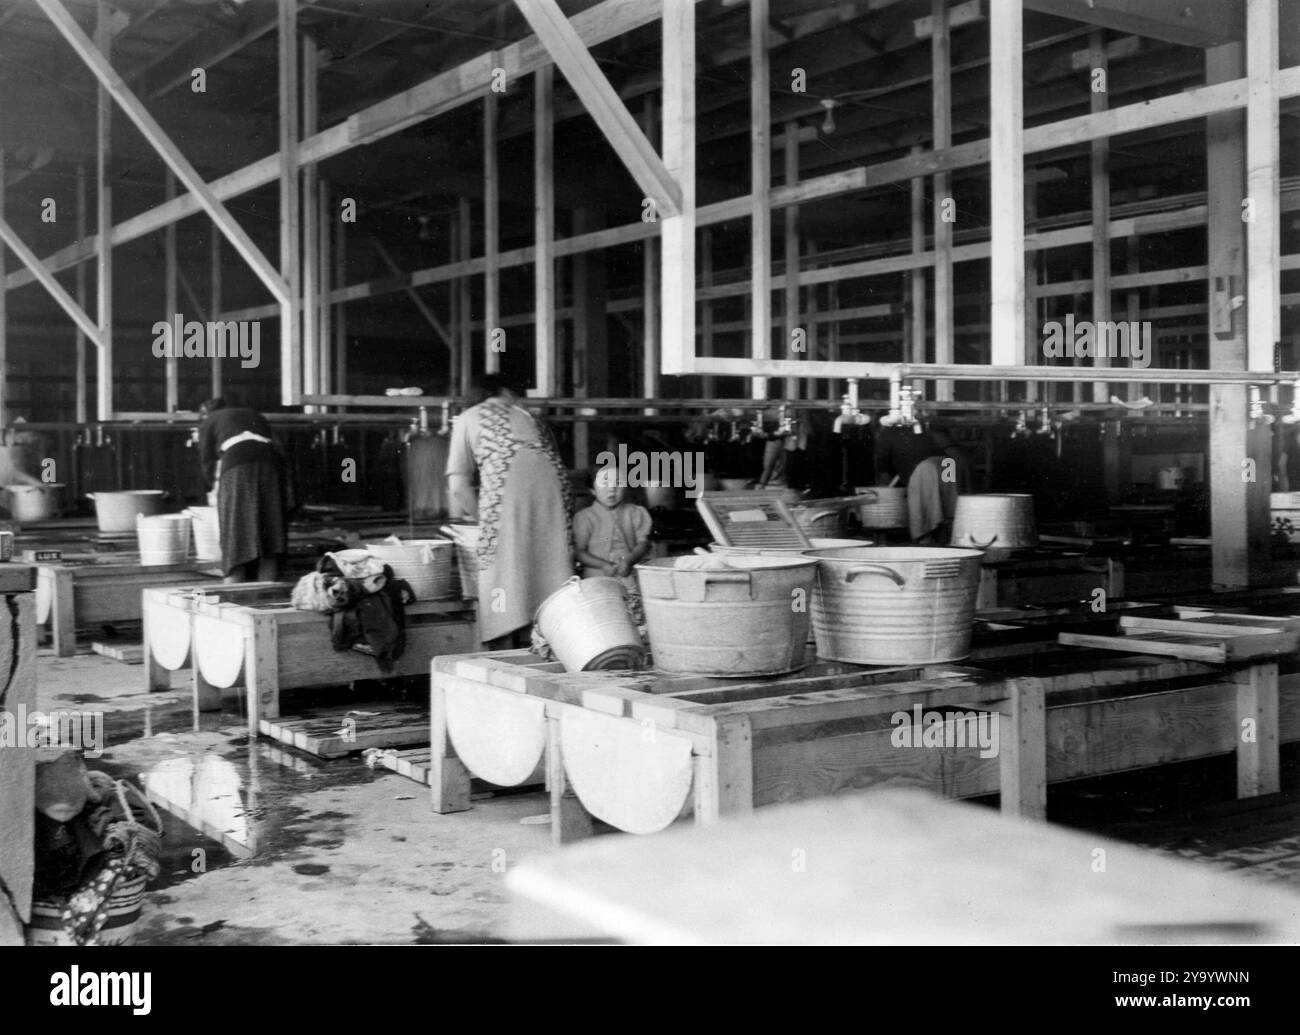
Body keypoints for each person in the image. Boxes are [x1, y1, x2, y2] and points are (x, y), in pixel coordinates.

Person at [446, 373, 574, 648]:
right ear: (505, 391)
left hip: (510, 494)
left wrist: (483, 521)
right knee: (549, 572)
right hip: (555, 496)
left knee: (503, 575)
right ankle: (550, 642)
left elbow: (457, 484)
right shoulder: (531, 418)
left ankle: (505, 652)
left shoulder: (469, 417)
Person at [197, 397, 288, 583]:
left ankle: (233, 589)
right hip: (272, 465)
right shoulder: (255, 415)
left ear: (205, 412)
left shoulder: (209, 421)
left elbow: (207, 460)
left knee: (235, 528)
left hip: (237, 465)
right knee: (270, 527)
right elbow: (279, 448)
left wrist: (211, 489)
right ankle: (267, 588)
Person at [573, 464, 653, 625]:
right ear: (592, 490)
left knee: (634, 615)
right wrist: (603, 565)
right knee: (604, 618)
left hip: (628, 574)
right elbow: (579, 551)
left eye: (618, 483)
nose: (612, 489)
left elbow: (643, 544)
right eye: (605, 483)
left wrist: (629, 560)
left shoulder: (635, 513)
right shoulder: (585, 517)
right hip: (598, 577)